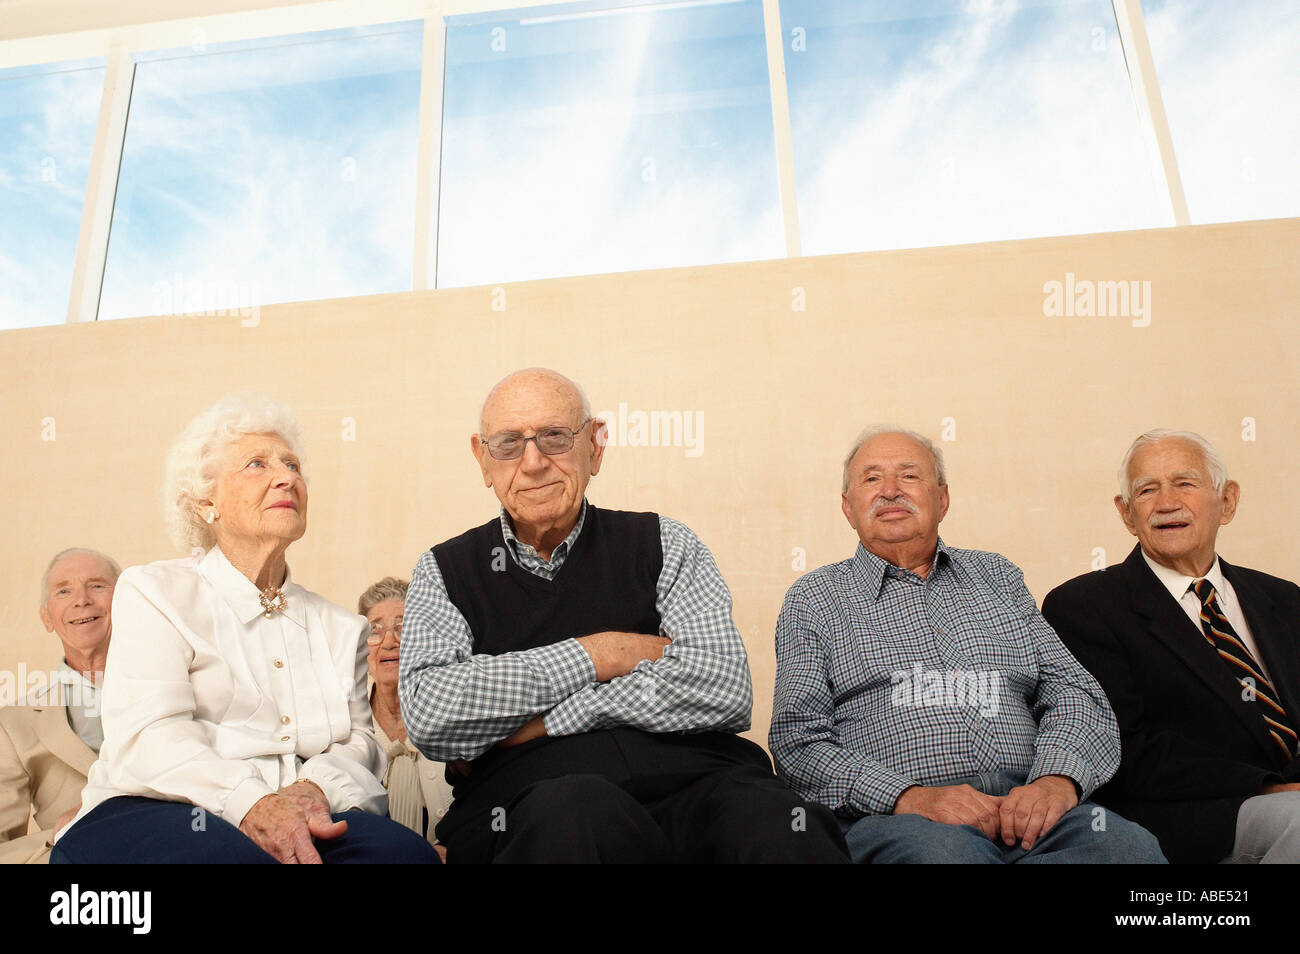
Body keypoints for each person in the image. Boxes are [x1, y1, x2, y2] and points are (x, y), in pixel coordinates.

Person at [400, 367, 847, 863]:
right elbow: (432, 713)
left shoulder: (666, 542)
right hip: (531, 800)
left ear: (596, 444)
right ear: (482, 459)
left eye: (554, 437)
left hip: (701, 781)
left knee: (782, 825)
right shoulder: (443, 570)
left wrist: (541, 721)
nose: (532, 462)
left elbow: (722, 687)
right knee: (575, 815)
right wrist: (602, 653)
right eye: (508, 444)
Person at [52, 393, 438, 864]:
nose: (287, 477)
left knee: (406, 857)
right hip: (157, 805)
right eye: (257, 464)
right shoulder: (155, 592)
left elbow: (358, 743)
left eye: (292, 465)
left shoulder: (342, 627)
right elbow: (150, 736)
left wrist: (312, 787)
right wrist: (249, 801)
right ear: (204, 503)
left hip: (302, 808)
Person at [770, 427, 1166, 863]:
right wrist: (910, 797)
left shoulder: (998, 576)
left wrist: (1055, 782)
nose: (890, 492)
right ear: (848, 507)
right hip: (906, 823)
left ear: (942, 499)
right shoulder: (814, 599)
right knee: (947, 858)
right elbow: (798, 741)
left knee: (1129, 848)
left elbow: (1073, 694)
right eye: (871, 479)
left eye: (909, 476)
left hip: (1031, 812)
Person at [1043, 429, 1300, 863]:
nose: (1166, 503)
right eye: (1147, 490)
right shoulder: (1083, 606)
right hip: (1188, 813)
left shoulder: (1285, 598)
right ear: (1126, 514)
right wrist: (1267, 785)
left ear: (1228, 501)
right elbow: (1120, 745)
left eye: (1185, 483)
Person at [0, 549, 119, 864]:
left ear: (128, 603)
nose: (81, 600)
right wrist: (58, 841)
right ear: (47, 617)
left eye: (97, 585)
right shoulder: (12, 724)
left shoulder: (181, 689)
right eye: (64, 591)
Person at [359, 576, 453, 848]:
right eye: (375, 631)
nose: (389, 641)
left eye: (403, 627)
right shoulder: (345, 726)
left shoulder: (455, 715)